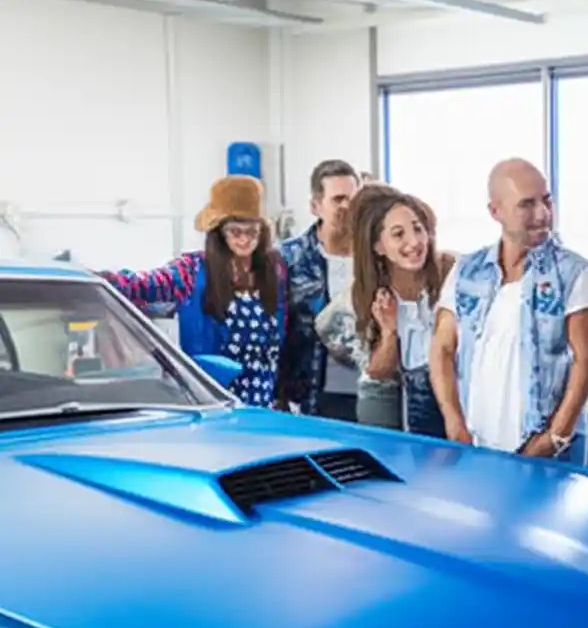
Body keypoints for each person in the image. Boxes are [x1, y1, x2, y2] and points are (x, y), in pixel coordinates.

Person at [430, 158, 588, 463]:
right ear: (495, 211)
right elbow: (442, 347)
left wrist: (553, 438)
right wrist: (454, 423)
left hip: (544, 450)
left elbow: (586, 361)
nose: (543, 214)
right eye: (527, 204)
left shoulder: (574, 273)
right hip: (476, 445)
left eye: (546, 200)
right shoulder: (467, 271)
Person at [99, 176, 286, 407]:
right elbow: (141, 285)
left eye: (252, 231)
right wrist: (99, 278)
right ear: (219, 233)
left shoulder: (275, 271)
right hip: (213, 404)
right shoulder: (192, 270)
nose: (245, 239)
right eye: (235, 231)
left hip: (264, 404)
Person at [315, 184, 455, 435]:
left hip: (461, 415)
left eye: (418, 229)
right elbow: (377, 379)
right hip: (404, 427)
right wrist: (389, 332)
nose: (414, 242)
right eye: (399, 234)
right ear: (377, 246)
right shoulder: (351, 305)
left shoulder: (455, 274)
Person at [278, 159, 361, 420]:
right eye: (338, 199)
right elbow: (276, 331)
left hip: (372, 390)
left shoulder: (378, 255)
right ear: (316, 206)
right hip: (313, 394)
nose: (347, 207)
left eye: (352, 198)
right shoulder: (289, 258)